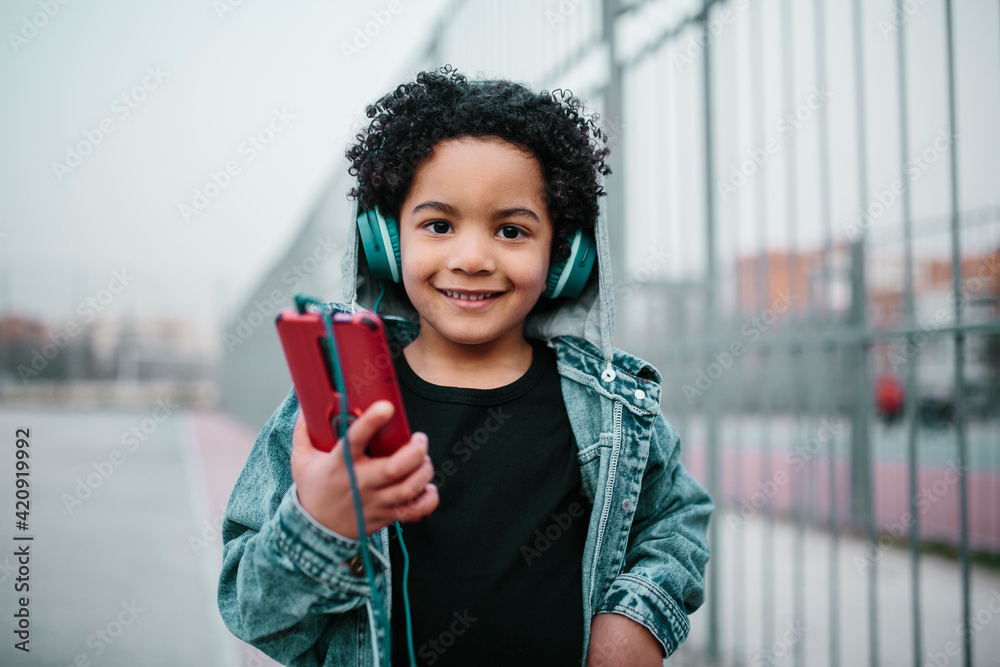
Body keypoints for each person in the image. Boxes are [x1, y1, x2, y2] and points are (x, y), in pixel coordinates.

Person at [217, 65, 713, 666]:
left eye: (510, 230)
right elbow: (255, 616)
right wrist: (319, 524)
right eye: (439, 225)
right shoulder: (335, 409)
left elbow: (677, 515)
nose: (472, 257)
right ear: (386, 241)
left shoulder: (611, 409)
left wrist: (637, 614)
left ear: (562, 258)